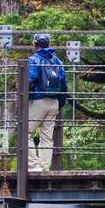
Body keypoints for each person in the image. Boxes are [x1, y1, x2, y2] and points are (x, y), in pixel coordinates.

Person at [27, 33, 67, 172]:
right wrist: (60, 103)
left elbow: (30, 79)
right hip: (54, 102)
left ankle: (33, 166)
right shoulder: (57, 61)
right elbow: (63, 84)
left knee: (25, 133)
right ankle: (44, 168)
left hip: (38, 100)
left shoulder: (33, 60)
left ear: (34, 44)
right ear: (49, 44)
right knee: (47, 137)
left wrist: (25, 96)